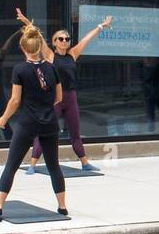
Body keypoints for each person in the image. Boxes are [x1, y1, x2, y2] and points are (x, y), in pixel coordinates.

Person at [0, 12, 68, 227]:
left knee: (11, 165)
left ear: (23, 48)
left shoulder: (20, 70)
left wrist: (2, 118)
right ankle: (62, 206)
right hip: (49, 123)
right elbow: (59, 98)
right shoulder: (51, 68)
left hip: (27, 123)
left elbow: (14, 101)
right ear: (39, 47)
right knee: (53, 166)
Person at [26, 14, 113, 174]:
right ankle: (32, 164)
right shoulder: (50, 55)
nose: (64, 41)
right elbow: (38, 37)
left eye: (66, 38)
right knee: (44, 130)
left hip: (71, 97)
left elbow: (87, 39)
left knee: (75, 132)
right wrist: (27, 23)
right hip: (55, 98)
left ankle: (85, 163)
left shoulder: (72, 53)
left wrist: (101, 26)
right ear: (54, 42)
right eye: (61, 39)